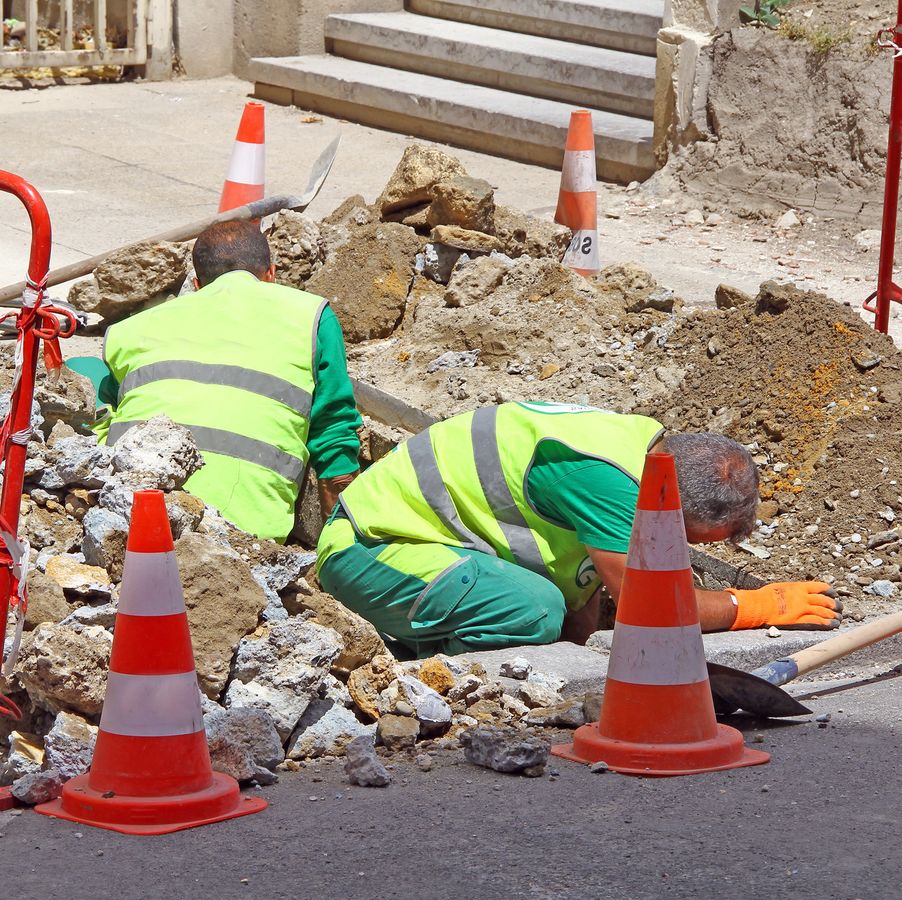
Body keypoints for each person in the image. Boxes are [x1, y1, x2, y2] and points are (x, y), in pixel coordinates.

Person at [316, 401, 841, 657]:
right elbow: (651, 603)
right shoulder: (606, 482)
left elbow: (583, 578)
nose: (674, 551)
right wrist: (753, 606)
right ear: (667, 498)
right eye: (681, 537)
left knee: (550, 608)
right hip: (369, 549)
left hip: (419, 549)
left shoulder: (644, 446)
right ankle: (428, 674)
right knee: (532, 610)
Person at [79, 220, 361, 542]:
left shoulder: (132, 328)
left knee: (84, 366)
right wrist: (340, 548)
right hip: (249, 539)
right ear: (272, 273)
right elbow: (334, 434)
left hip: (130, 518)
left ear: (197, 284)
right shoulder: (310, 317)